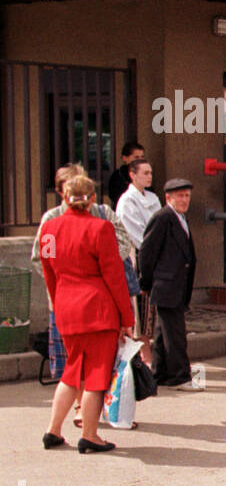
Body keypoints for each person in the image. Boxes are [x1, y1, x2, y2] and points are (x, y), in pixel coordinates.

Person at [38, 175, 135, 453]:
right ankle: (90, 434)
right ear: (93, 199)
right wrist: (127, 319)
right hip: (97, 309)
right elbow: (115, 278)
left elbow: (48, 272)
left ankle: (53, 430)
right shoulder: (101, 228)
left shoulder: (48, 230)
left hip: (66, 306)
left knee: (71, 371)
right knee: (96, 374)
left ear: (63, 197)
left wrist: (58, 303)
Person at [138, 178, 199, 388]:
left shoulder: (181, 217)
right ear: (168, 198)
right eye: (180, 196)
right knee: (175, 333)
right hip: (166, 284)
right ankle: (180, 376)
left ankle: (159, 373)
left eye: (187, 196)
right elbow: (147, 252)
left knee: (163, 332)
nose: (184, 200)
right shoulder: (163, 218)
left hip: (177, 285)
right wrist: (145, 282)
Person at [109, 158, 161, 367]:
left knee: (152, 311)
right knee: (139, 312)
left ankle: (151, 356)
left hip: (155, 257)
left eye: (150, 172)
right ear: (133, 174)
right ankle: (143, 358)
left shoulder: (153, 198)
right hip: (137, 258)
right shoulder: (126, 201)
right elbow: (135, 233)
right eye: (145, 173)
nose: (149, 176)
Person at [106, 141, 147, 209]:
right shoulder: (117, 176)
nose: (140, 160)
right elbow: (114, 195)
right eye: (136, 157)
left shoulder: (145, 174)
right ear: (125, 158)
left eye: (142, 157)